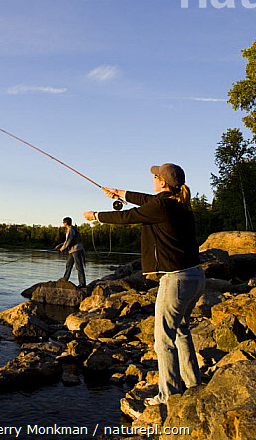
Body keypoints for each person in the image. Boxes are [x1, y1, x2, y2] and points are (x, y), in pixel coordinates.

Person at [83, 163, 204, 409]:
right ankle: (193, 384)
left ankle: (168, 394)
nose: (153, 179)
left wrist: (96, 216)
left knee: (163, 341)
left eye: (155, 176)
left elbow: (128, 216)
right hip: (195, 277)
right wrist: (120, 193)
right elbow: (147, 200)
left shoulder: (160, 206)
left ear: (162, 182)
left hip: (176, 280)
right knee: (181, 331)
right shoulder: (179, 203)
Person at [56, 217, 86, 287]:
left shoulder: (70, 230)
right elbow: (69, 240)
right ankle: (65, 278)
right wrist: (60, 245)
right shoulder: (72, 229)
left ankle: (82, 283)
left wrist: (62, 248)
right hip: (72, 250)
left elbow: (68, 241)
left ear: (66, 223)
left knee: (79, 266)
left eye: (63, 222)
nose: (63, 224)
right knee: (68, 265)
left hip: (76, 249)